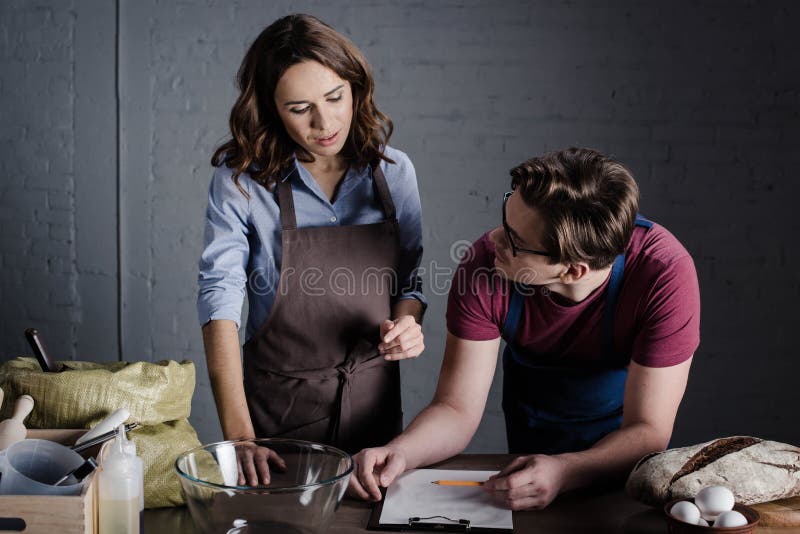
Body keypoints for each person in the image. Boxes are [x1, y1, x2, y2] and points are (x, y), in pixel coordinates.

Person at [349, 147, 700, 510]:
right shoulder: (483, 265)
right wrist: (401, 452)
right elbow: (456, 408)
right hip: (529, 438)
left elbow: (647, 429)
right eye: (505, 217)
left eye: (515, 241)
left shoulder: (663, 274)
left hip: (621, 458)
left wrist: (567, 470)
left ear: (573, 270)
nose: (494, 240)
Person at [197, 14, 426, 483]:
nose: (325, 123)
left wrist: (408, 324)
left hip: (375, 415)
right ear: (271, 109)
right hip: (276, 425)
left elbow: (409, 280)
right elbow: (220, 300)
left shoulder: (394, 172)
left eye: (335, 98)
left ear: (355, 87)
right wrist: (241, 437)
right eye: (300, 108)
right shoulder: (241, 183)